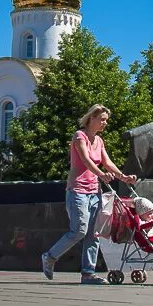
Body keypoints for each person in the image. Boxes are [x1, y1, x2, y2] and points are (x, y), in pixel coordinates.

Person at [41, 104, 138, 284]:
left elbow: (107, 162)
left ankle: (88, 273)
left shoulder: (99, 141)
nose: (104, 123)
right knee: (79, 230)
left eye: (106, 120)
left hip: (94, 192)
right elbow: (85, 160)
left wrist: (123, 177)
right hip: (77, 190)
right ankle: (50, 256)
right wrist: (101, 174)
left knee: (93, 233)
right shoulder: (80, 136)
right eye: (101, 119)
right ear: (91, 118)